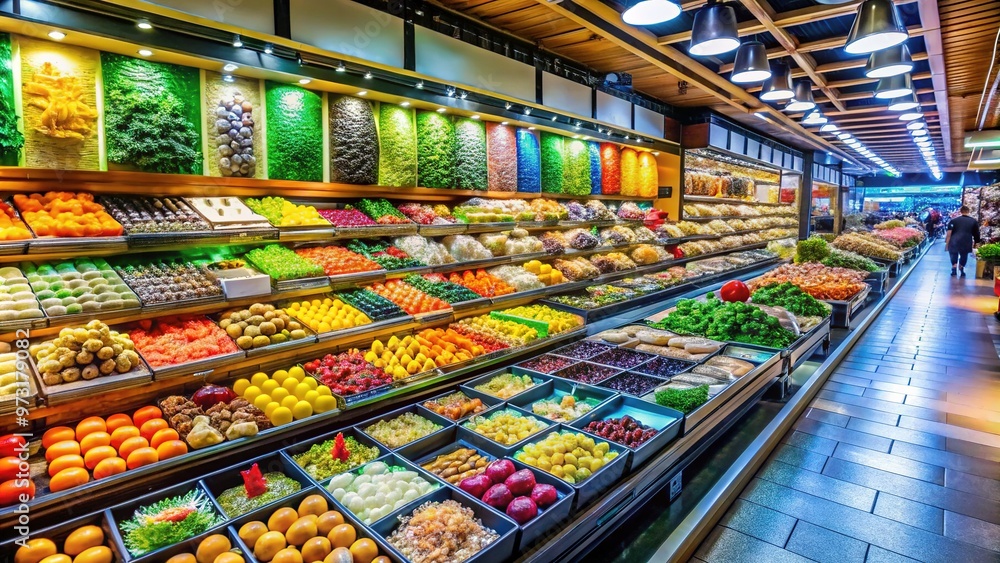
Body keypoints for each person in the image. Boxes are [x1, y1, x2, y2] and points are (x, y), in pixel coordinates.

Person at [945, 205, 981, 277]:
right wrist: (977, 242)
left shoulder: (953, 221)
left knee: (953, 254)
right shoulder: (973, 221)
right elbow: (976, 233)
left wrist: (947, 244)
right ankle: (961, 268)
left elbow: (949, 233)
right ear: (968, 211)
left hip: (954, 241)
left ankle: (954, 267)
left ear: (960, 211)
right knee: (964, 255)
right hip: (966, 241)